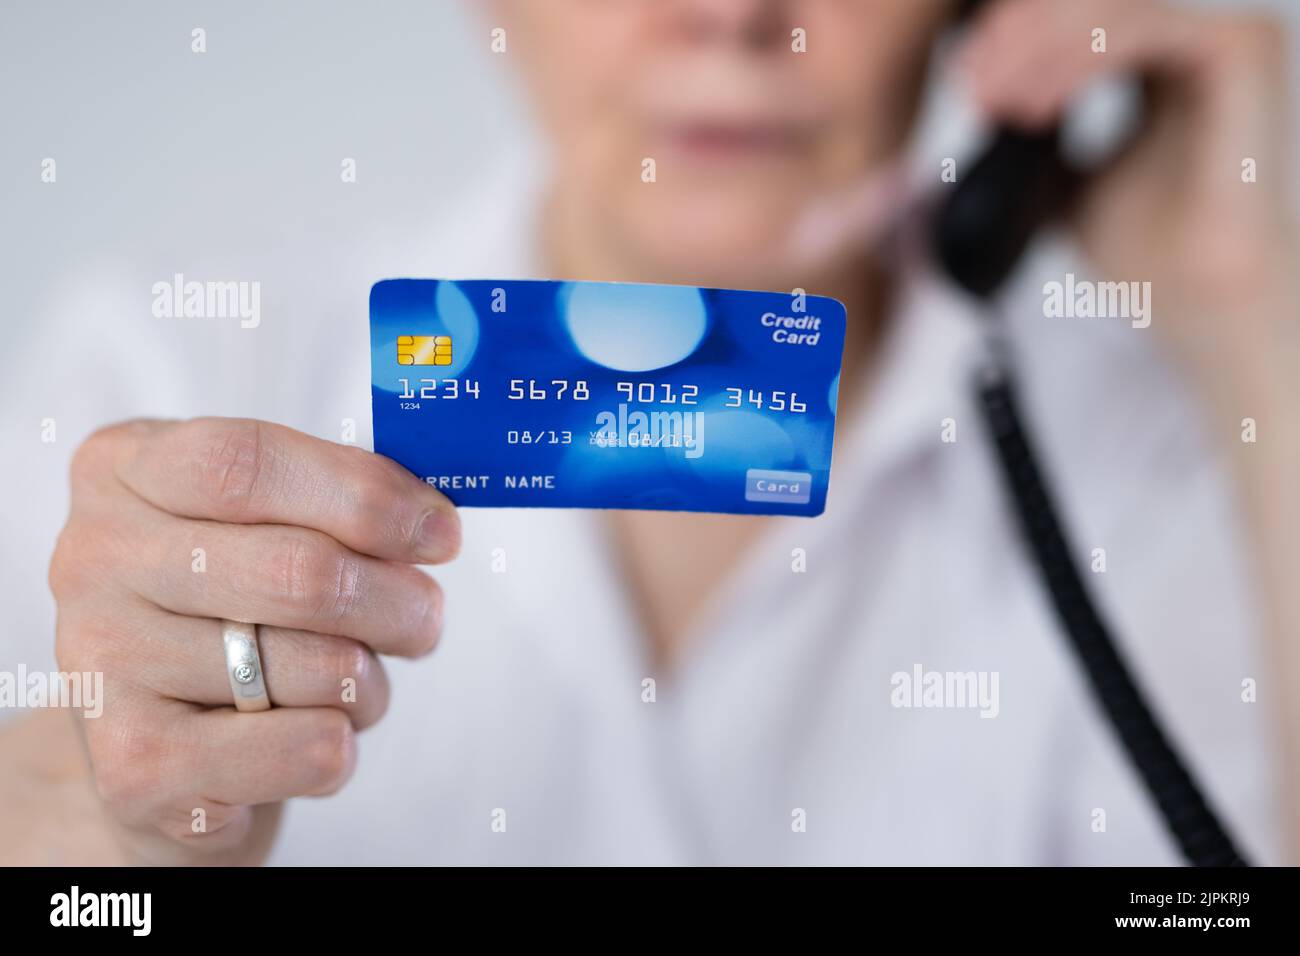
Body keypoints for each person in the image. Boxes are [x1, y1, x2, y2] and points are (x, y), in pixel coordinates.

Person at [1, 0, 1296, 865]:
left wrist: (1259, 330)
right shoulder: (161, 369)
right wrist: (107, 848)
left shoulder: (1171, 444)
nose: (732, 18)